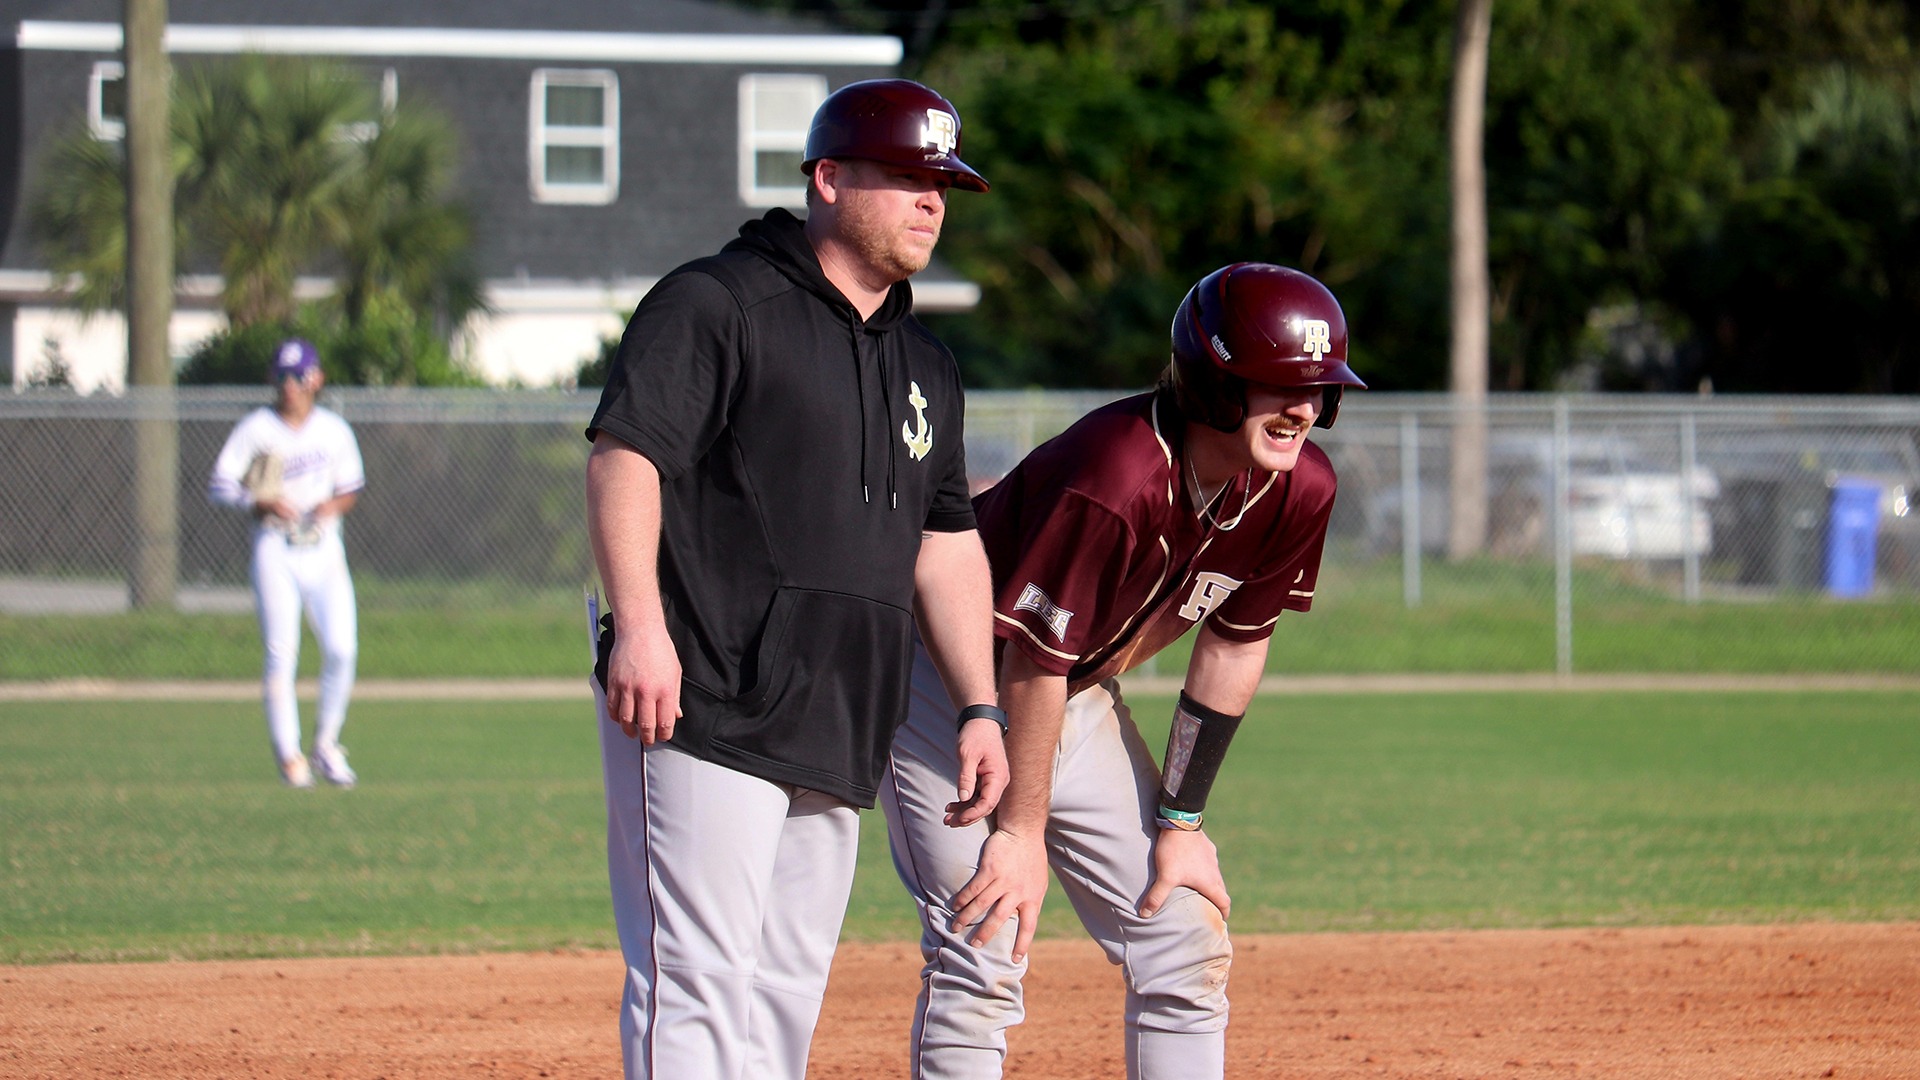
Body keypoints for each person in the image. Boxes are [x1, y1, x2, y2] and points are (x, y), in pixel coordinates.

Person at [583, 78, 1008, 1080]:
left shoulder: (926, 364)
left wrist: (980, 704)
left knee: (783, 994)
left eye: (941, 181)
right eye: (906, 176)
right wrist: (641, 629)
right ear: (827, 179)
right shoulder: (718, 303)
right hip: (703, 699)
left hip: (839, 718)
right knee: (694, 986)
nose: (932, 200)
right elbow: (624, 458)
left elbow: (946, 544)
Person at [881, 262, 1367, 1079]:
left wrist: (1180, 822)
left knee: (1180, 932)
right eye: (1280, 385)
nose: (1305, 409)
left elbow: (1234, 645)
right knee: (987, 936)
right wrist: (1020, 833)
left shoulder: (1300, 490)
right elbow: (1028, 664)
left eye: (1319, 389)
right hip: (947, 683)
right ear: (1214, 384)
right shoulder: (1117, 474)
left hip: (1066, 694)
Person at [208, 338, 365, 789]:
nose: (289, 386)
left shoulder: (333, 430)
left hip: (322, 546)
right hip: (275, 548)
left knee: (342, 648)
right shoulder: (257, 428)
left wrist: (332, 507)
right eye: (281, 376)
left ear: (315, 379)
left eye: (297, 376)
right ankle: (289, 757)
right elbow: (220, 485)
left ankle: (327, 745)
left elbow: (350, 486)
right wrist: (258, 501)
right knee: (281, 653)